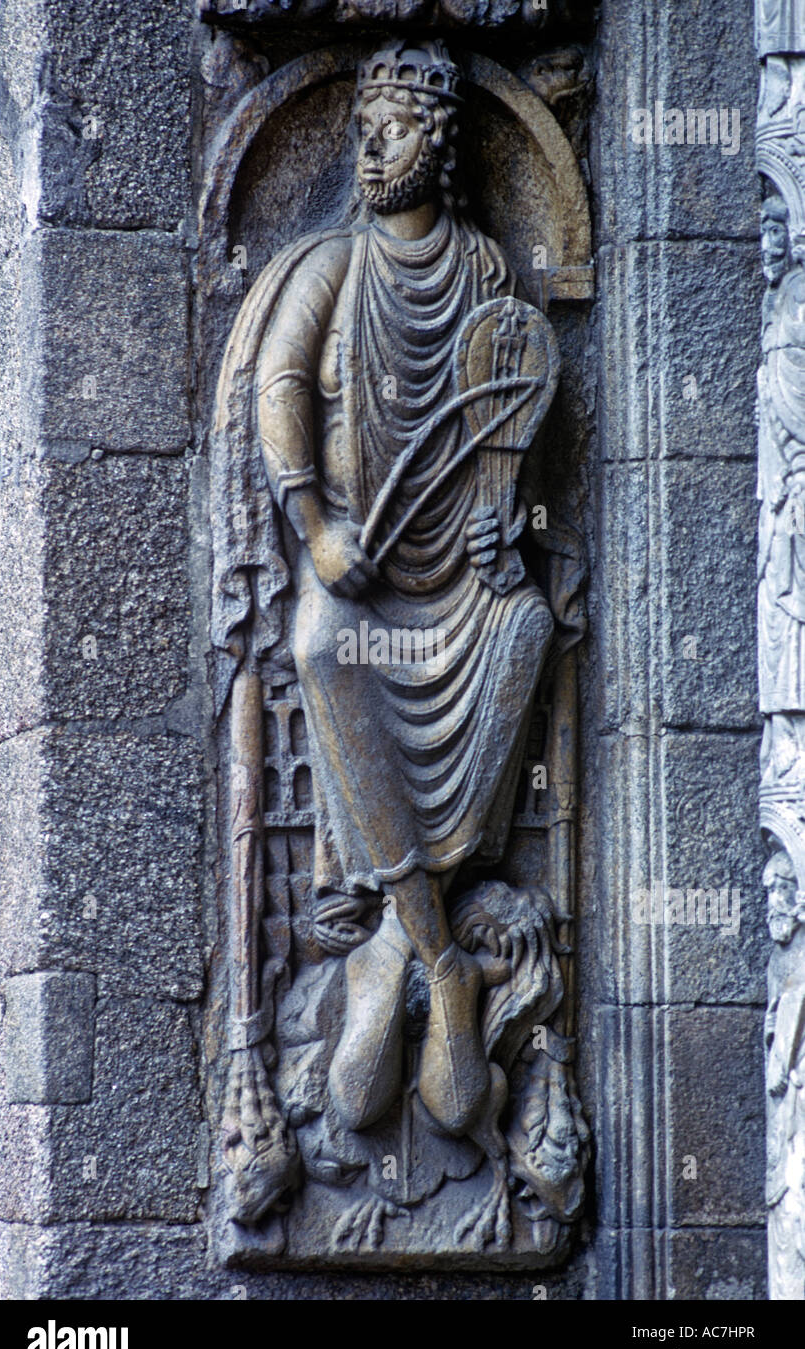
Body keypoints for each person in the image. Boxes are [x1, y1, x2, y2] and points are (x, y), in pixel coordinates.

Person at [213, 40, 556, 1141]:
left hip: (455, 579)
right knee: (319, 647)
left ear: (439, 142)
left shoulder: (486, 274)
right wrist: (315, 527)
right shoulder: (331, 269)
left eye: (394, 130)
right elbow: (279, 388)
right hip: (358, 582)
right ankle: (446, 958)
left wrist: (502, 531)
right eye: (361, 131)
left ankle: (400, 947)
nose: (370, 150)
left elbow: (501, 434)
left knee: (530, 627)